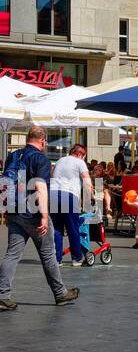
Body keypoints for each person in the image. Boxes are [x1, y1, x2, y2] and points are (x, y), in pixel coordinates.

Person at [0, 125, 79, 310]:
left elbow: (5, 182)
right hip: (34, 213)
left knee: (12, 255)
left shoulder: (13, 155)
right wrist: (44, 216)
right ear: (42, 140)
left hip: (15, 211)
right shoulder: (40, 159)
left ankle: (3, 295)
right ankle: (60, 294)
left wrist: (5, 209)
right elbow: (41, 187)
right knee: (48, 255)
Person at [50, 144, 93, 267]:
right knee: (72, 227)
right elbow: (87, 181)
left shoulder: (60, 160)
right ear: (80, 154)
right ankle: (77, 258)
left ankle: (57, 259)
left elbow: (52, 176)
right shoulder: (80, 162)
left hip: (53, 193)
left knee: (57, 228)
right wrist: (92, 196)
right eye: (84, 156)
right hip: (69, 195)